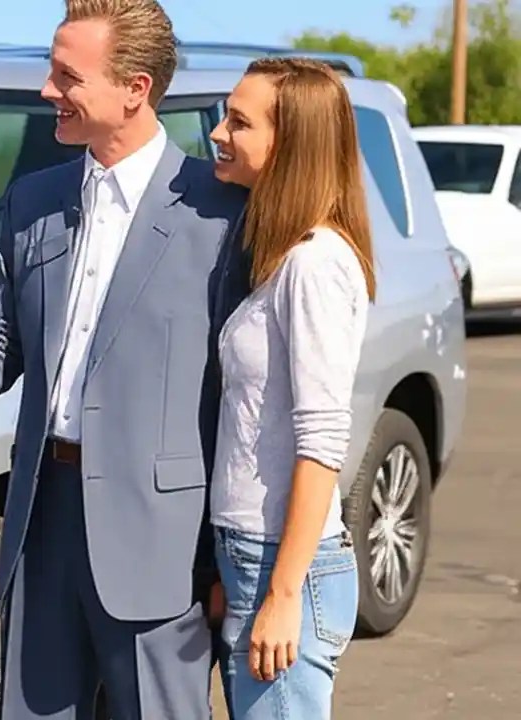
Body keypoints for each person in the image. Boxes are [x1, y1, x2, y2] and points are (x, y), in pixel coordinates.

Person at [0, 0, 249, 717]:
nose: (46, 91)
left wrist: (232, 559)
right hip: (42, 525)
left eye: (67, 75)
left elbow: (242, 403)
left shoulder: (220, 215)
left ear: (134, 88)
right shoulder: (34, 201)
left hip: (161, 546)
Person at [207, 57, 373, 719]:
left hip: (283, 564)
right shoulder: (281, 258)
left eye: (240, 122)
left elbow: (322, 440)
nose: (219, 132)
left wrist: (280, 592)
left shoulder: (315, 265)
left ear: (291, 145)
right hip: (252, 555)